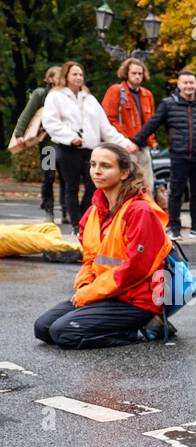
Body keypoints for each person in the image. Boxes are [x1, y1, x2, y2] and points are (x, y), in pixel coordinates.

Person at [34, 143, 172, 349]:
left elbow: (135, 269)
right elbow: (90, 258)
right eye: (93, 164)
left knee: (63, 333)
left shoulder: (140, 211)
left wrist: (90, 294)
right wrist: (84, 287)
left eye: (105, 166)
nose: (96, 171)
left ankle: (141, 330)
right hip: (106, 293)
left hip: (136, 300)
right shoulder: (94, 212)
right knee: (43, 328)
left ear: (124, 173)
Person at [41, 62, 137, 229]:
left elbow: (105, 127)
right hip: (67, 148)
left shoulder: (90, 99)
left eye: (80, 74)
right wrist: (70, 137)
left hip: (90, 150)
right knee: (71, 188)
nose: (78, 77)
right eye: (74, 74)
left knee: (93, 187)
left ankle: (85, 221)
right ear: (66, 76)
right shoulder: (55, 96)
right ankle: (77, 226)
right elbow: (50, 122)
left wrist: (125, 143)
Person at [133, 69, 196, 240]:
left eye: (191, 82)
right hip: (179, 155)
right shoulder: (168, 104)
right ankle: (174, 227)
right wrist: (136, 141)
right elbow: (153, 123)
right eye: (185, 82)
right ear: (179, 85)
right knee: (176, 192)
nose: (188, 86)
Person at [12, 67, 63, 223]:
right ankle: (48, 209)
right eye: (58, 76)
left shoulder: (67, 95)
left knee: (67, 177)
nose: (62, 78)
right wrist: (19, 135)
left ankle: (67, 211)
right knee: (48, 176)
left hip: (64, 143)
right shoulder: (41, 94)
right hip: (47, 143)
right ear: (50, 79)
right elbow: (27, 113)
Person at [101, 58, 157, 196]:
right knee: (127, 186)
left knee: (147, 185)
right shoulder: (116, 91)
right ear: (126, 73)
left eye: (140, 73)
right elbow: (108, 119)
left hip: (143, 146)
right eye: (134, 73)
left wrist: (151, 140)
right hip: (125, 146)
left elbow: (151, 121)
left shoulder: (147, 94)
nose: (138, 76)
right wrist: (125, 140)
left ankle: (146, 214)